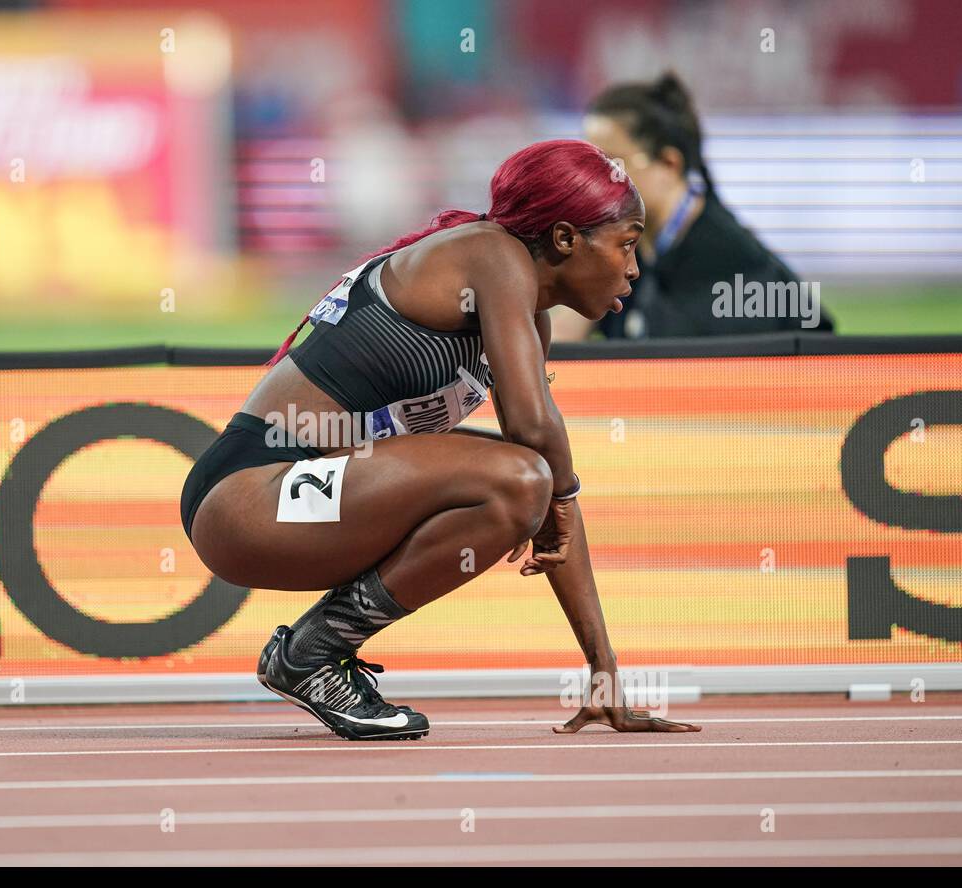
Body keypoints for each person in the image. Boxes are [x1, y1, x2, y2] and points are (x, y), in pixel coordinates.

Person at [180, 139, 701, 740]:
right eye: (627, 244)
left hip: (300, 500)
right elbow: (537, 442)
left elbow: (543, 476)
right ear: (564, 239)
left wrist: (604, 674)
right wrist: (554, 501)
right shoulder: (491, 253)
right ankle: (311, 656)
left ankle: (312, 653)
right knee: (520, 478)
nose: (635, 269)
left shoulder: (523, 312)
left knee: (518, 484)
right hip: (245, 498)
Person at [551, 71, 836, 341]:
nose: (593, 180)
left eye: (612, 163)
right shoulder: (633, 247)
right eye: (589, 163)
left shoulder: (735, 272)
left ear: (668, 164)